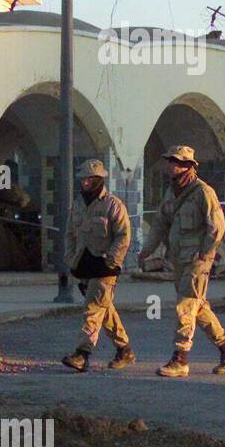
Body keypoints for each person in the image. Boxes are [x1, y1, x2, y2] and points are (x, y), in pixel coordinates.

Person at [138, 145, 225, 377]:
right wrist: (147, 250)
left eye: (176, 161)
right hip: (179, 259)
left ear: (188, 166)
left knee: (185, 305)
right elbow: (160, 224)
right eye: (170, 161)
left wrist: (206, 253)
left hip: (197, 260)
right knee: (198, 308)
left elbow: (217, 227)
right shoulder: (171, 193)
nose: (171, 165)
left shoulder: (203, 192)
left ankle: (180, 358)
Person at [61, 159, 135, 372]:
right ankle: (124, 349)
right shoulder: (78, 204)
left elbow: (123, 236)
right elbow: (69, 234)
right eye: (82, 179)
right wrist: (70, 257)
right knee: (105, 309)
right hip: (83, 265)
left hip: (104, 267)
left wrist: (111, 261)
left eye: (89, 179)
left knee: (92, 309)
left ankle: (82, 354)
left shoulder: (113, 205)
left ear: (98, 180)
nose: (84, 183)